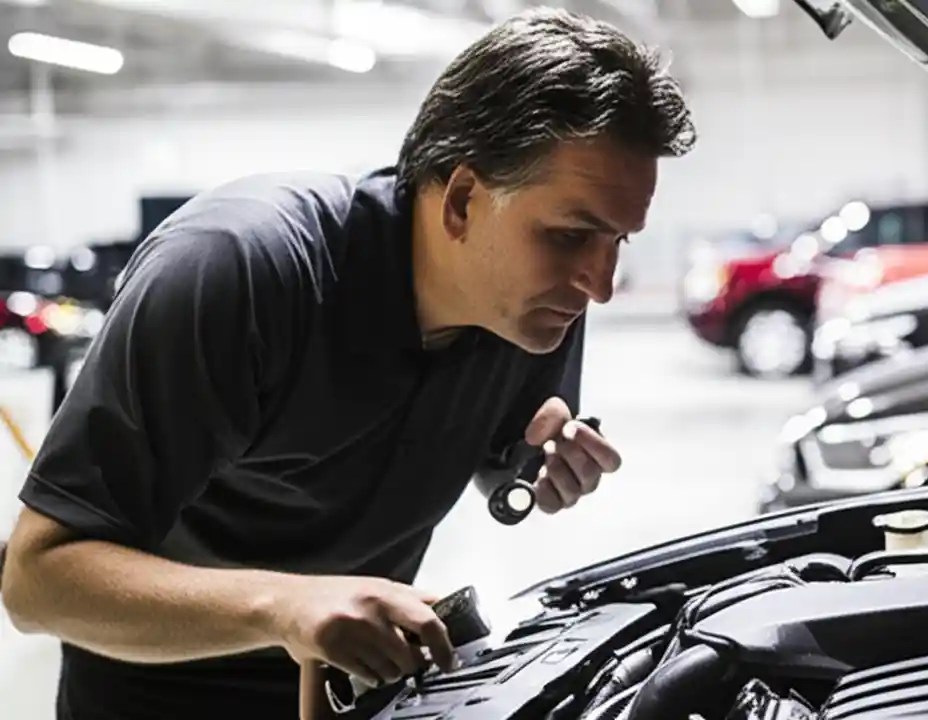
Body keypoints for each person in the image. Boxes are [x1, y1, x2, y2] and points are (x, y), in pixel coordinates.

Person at [0, 7, 696, 720]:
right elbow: (36, 579)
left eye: (619, 242)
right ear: (462, 200)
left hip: (356, 693)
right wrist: (288, 606)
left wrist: (525, 466)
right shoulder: (237, 273)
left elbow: (494, 447)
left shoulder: (532, 305)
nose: (601, 284)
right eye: (574, 234)